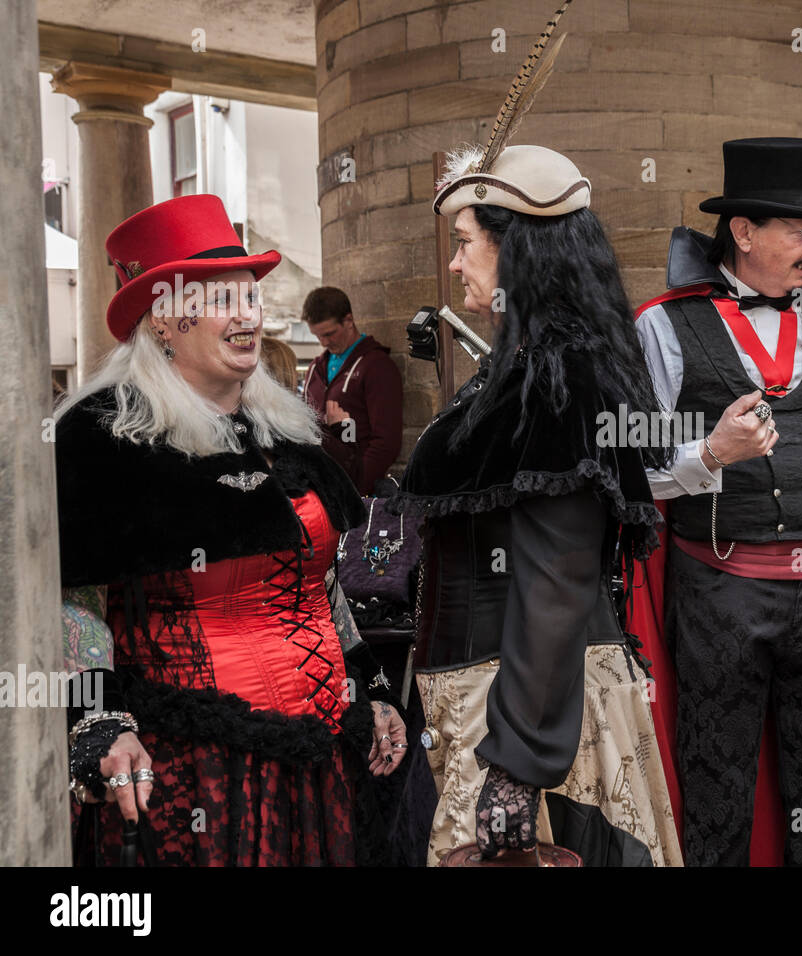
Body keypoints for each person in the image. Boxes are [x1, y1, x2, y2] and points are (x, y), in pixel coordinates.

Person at [56, 194, 407, 866]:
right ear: (163, 321)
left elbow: (322, 587)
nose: (247, 314)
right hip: (191, 766)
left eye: (250, 295)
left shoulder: (290, 436)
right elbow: (76, 601)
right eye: (220, 299)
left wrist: (374, 690)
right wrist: (97, 722)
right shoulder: (100, 440)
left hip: (319, 759)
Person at [394, 142, 682, 866]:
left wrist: (519, 765)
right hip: (489, 696)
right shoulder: (524, 366)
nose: (454, 264)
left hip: (525, 713)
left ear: (516, 249)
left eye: (465, 244)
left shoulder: (561, 379)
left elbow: (557, 577)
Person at [634, 137, 802, 866]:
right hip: (718, 588)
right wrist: (710, 455)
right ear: (745, 231)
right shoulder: (662, 326)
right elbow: (629, 468)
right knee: (718, 788)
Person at [302, 286, 403, 495]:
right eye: (317, 336)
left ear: (348, 320)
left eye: (330, 333)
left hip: (358, 491)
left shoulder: (377, 366)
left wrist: (356, 487)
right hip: (321, 490)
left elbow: (386, 442)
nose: (324, 342)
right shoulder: (314, 369)